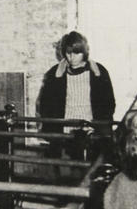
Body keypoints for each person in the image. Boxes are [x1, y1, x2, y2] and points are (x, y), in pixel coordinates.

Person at [35, 31, 116, 161]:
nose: (72, 57)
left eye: (76, 53)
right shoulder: (54, 74)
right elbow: (45, 104)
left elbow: (108, 103)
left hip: (91, 129)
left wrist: (98, 127)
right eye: (68, 53)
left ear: (84, 52)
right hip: (65, 130)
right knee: (68, 171)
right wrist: (54, 128)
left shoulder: (99, 72)